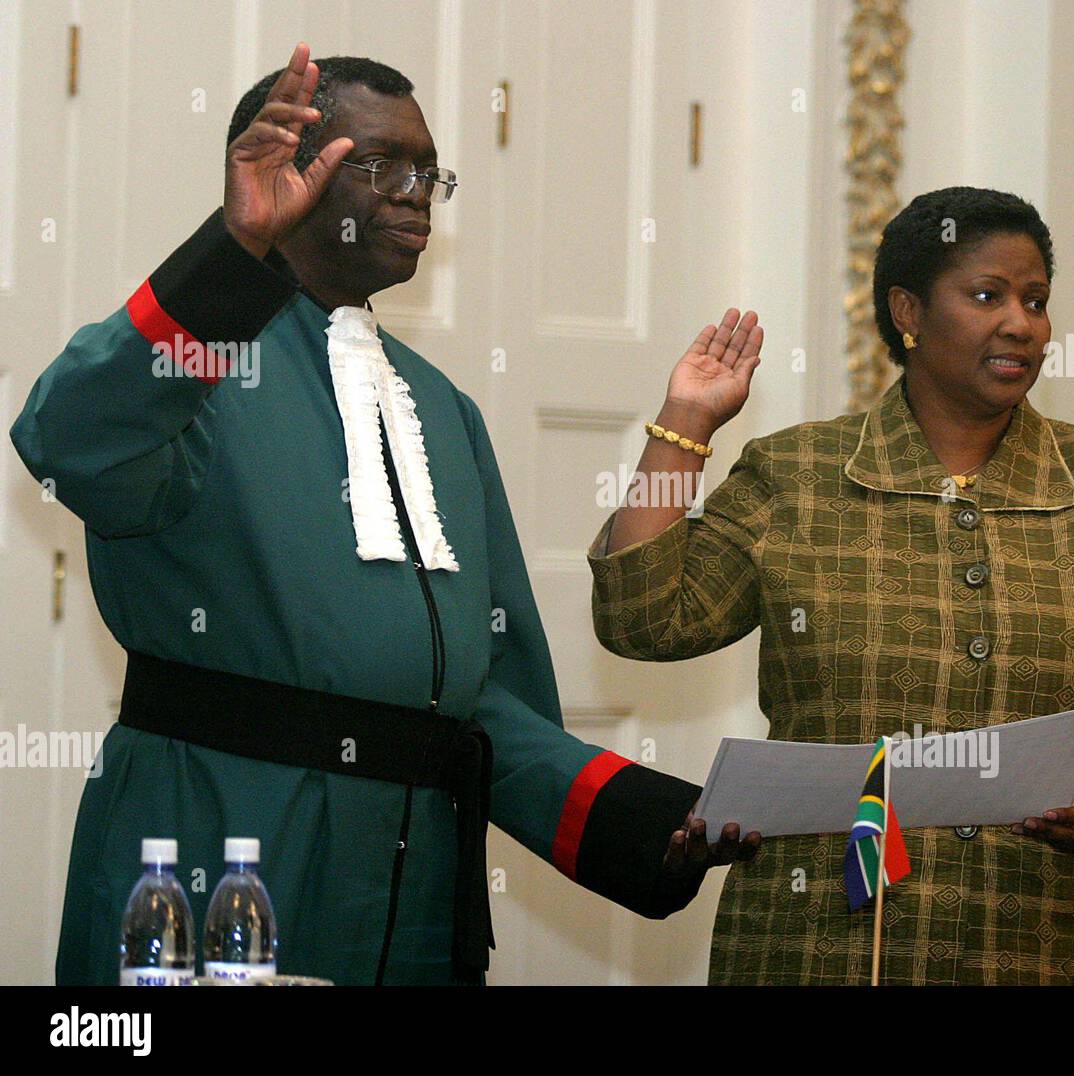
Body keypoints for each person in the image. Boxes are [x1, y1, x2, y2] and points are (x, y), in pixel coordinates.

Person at [10, 44, 758, 987]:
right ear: (285, 172)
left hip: (412, 884)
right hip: (221, 850)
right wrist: (230, 254)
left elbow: (478, 708)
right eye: (381, 165)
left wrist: (644, 821)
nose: (417, 192)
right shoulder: (194, 362)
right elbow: (68, 438)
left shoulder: (443, 411)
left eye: (428, 171)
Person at [588, 187, 1074, 985]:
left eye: (1036, 300)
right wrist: (686, 428)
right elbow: (644, 620)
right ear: (908, 311)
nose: (1020, 322)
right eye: (987, 295)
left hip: (1047, 933)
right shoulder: (797, 474)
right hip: (824, 937)